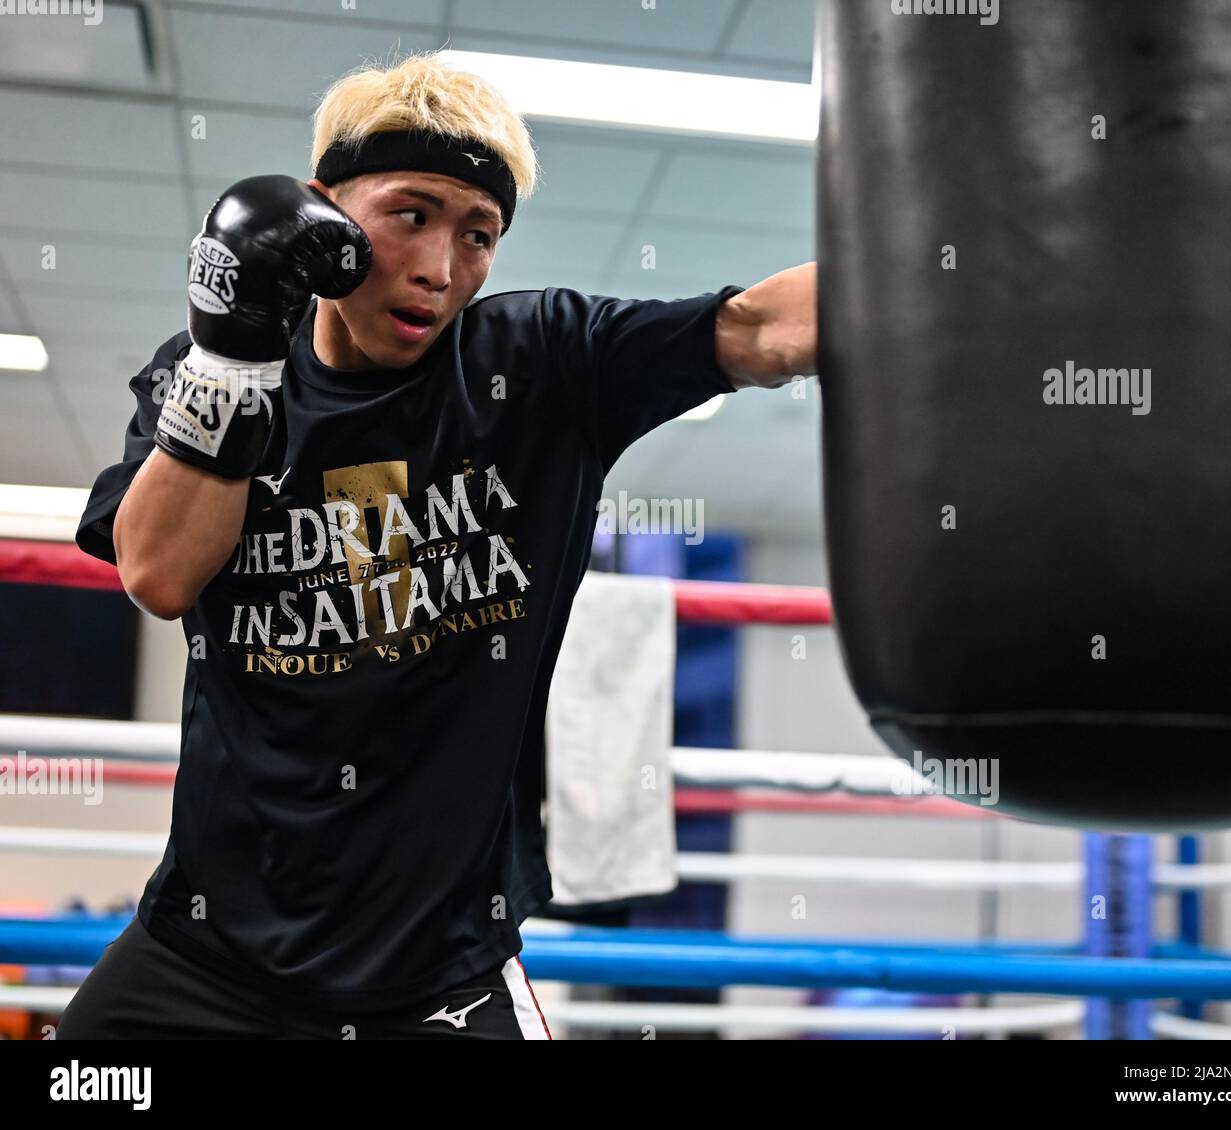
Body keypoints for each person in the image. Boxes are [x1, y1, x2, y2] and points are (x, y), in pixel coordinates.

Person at [62, 50, 816, 1039]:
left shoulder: (543, 361)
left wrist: (975, 250)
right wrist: (235, 351)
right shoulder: (213, 370)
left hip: (437, 981)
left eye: (479, 233)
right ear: (325, 212)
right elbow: (159, 573)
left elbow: (759, 330)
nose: (439, 267)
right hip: (203, 961)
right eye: (409, 214)